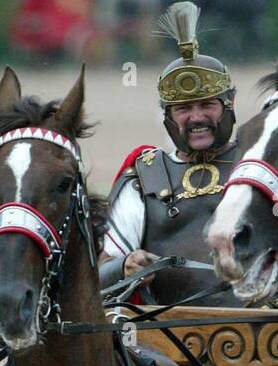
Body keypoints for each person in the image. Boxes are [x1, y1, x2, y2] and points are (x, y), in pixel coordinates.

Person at [100, 2, 240, 305]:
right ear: (168, 115)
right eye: (184, 108)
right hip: (169, 342)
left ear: (230, 104)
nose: (196, 117)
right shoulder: (144, 177)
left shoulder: (262, 164)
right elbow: (99, 277)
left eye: (207, 105)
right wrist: (124, 266)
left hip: (271, 334)